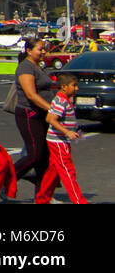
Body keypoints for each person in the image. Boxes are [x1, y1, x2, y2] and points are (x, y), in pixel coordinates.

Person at [11, 36, 54, 196]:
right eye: (40, 49)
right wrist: (52, 109)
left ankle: (43, 196)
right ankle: (6, 179)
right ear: (29, 51)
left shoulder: (38, 66)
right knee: (35, 154)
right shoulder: (25, 67)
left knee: (44, 157)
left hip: (42, 114)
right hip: (29, 114)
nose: (43, 52)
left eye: (44, 49)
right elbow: (31, 94)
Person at [35, 72, 87, 204]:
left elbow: (51, 117)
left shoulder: (63, 99)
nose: (76, 88)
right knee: (68, 172)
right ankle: (79, 201)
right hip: (58, 142)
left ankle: (42, 199)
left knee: (53, 172)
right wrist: (66, 132)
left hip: (60, 141)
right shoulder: (61, 101)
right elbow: (51, 119)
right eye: (73, 85)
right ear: (64, 86)